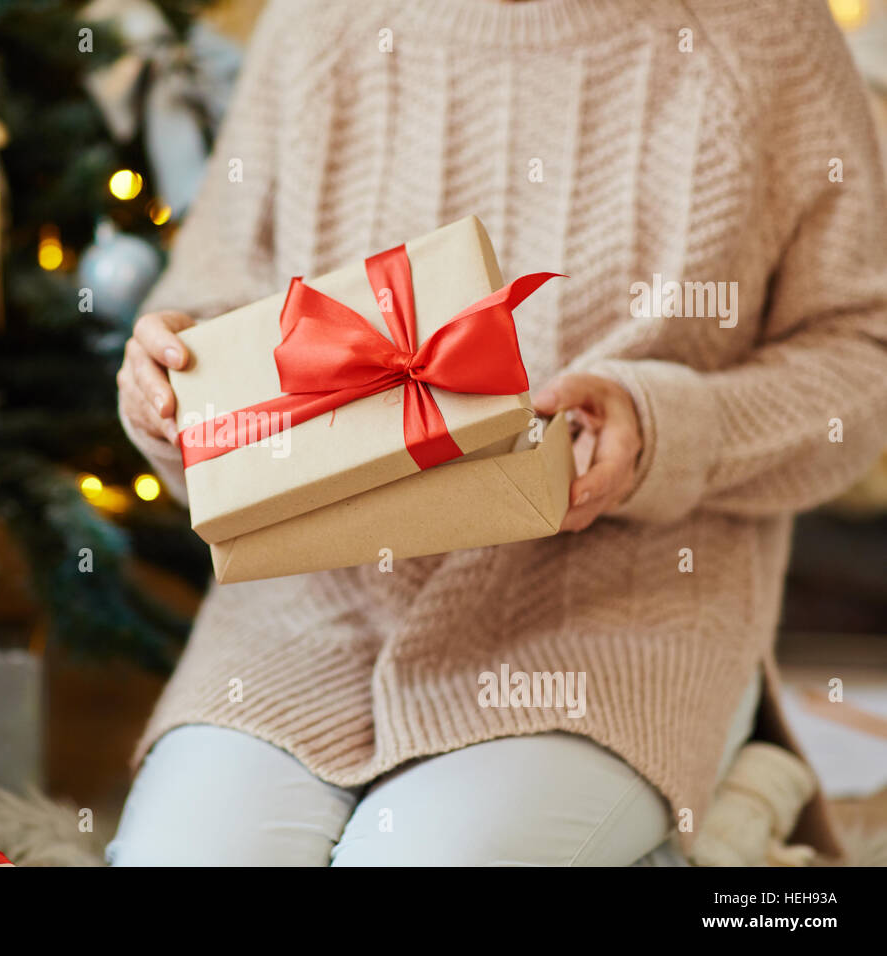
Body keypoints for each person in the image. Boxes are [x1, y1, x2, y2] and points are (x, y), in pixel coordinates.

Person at [110, 0, 887, 865]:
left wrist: (667, 432)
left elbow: (861, 366)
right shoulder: (316, 23)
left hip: (620, 616)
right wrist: (172, 390)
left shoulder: (765, 33)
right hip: (306, 607)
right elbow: (210, 305)